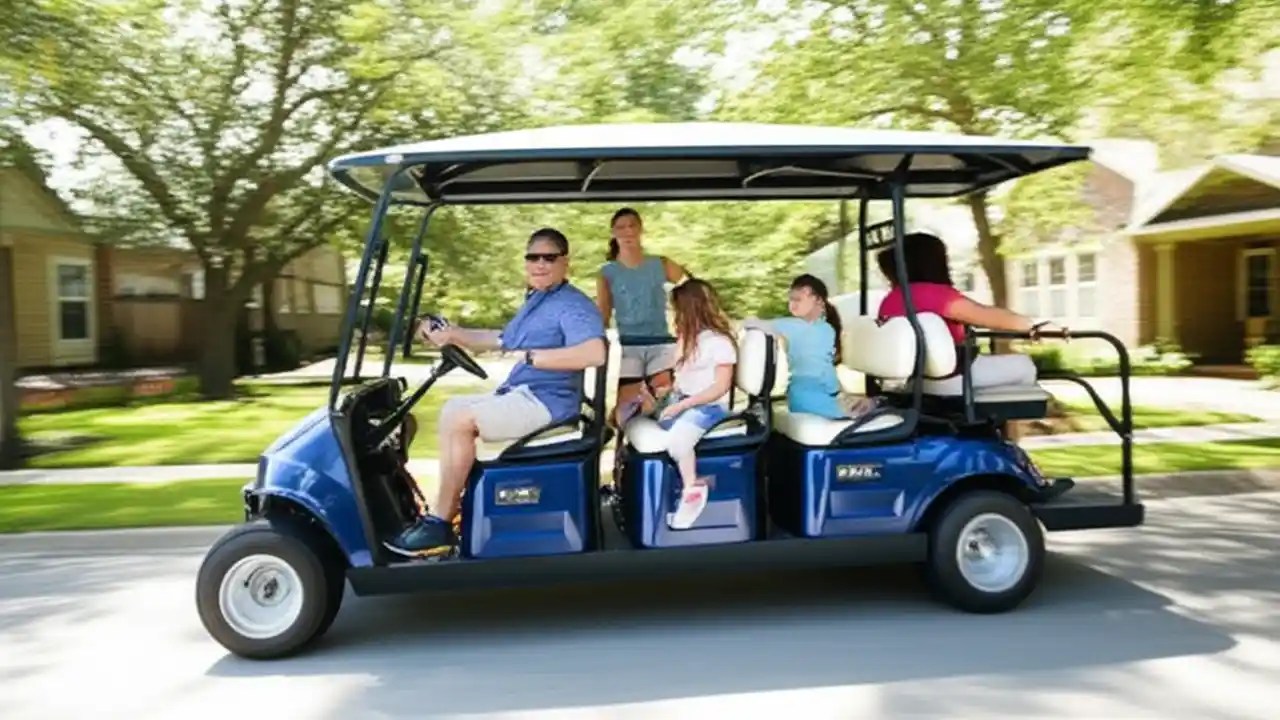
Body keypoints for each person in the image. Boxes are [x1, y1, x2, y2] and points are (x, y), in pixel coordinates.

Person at [383, 227, 607, 558]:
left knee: (461, 419)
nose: (540, 264)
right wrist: (455, 335)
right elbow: (502, 339)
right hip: (526, 393)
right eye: (533, 257)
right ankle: (447, 509)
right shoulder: (538, 300)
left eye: (549, 257)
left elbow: (595, 353)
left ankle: (440, 523)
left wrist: (534, 357)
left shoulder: (572, 305)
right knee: (452, 408)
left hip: (548, 401)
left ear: (565, 263)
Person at [876, 232, 1059, 387]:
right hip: (951, 378)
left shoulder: (891, 300)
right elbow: (987, 316)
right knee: (1024, 365)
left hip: (916, 381)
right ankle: (1004, 423)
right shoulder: (935, 295)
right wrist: (1035, 325)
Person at [630, 278, 737, 530]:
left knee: (678, 442)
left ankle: (693, 488)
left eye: (676, 310)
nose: (672, 315)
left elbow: (720, 388)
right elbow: (683, 380)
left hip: (708, 407)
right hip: (685, 401)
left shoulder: (718, 343)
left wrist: (682, 405)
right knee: (648, 421)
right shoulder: (687, 341)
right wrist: (665, 396)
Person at [595, 208, 689, 426]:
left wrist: (686, 324)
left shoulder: (661, 264)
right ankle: (621, 442)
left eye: (632, 226)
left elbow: (693, 292)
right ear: (613, 233)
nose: (627, 232)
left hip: (661, 344)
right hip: (629, 346)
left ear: (640, 229)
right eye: (621, 227)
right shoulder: (607, 273)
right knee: (627, 412)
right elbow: (603, 313)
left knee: (664, 400)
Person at [743, 274, 878, 419]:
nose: (792, 304)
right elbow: (750, 323)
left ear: (818, 300)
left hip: (818, 394)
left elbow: (824, 369)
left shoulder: (826, 329)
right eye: (791, 299)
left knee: (867, 406)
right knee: (868, 409)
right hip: (807, 397)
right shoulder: (792, 326)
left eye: (798, 299)